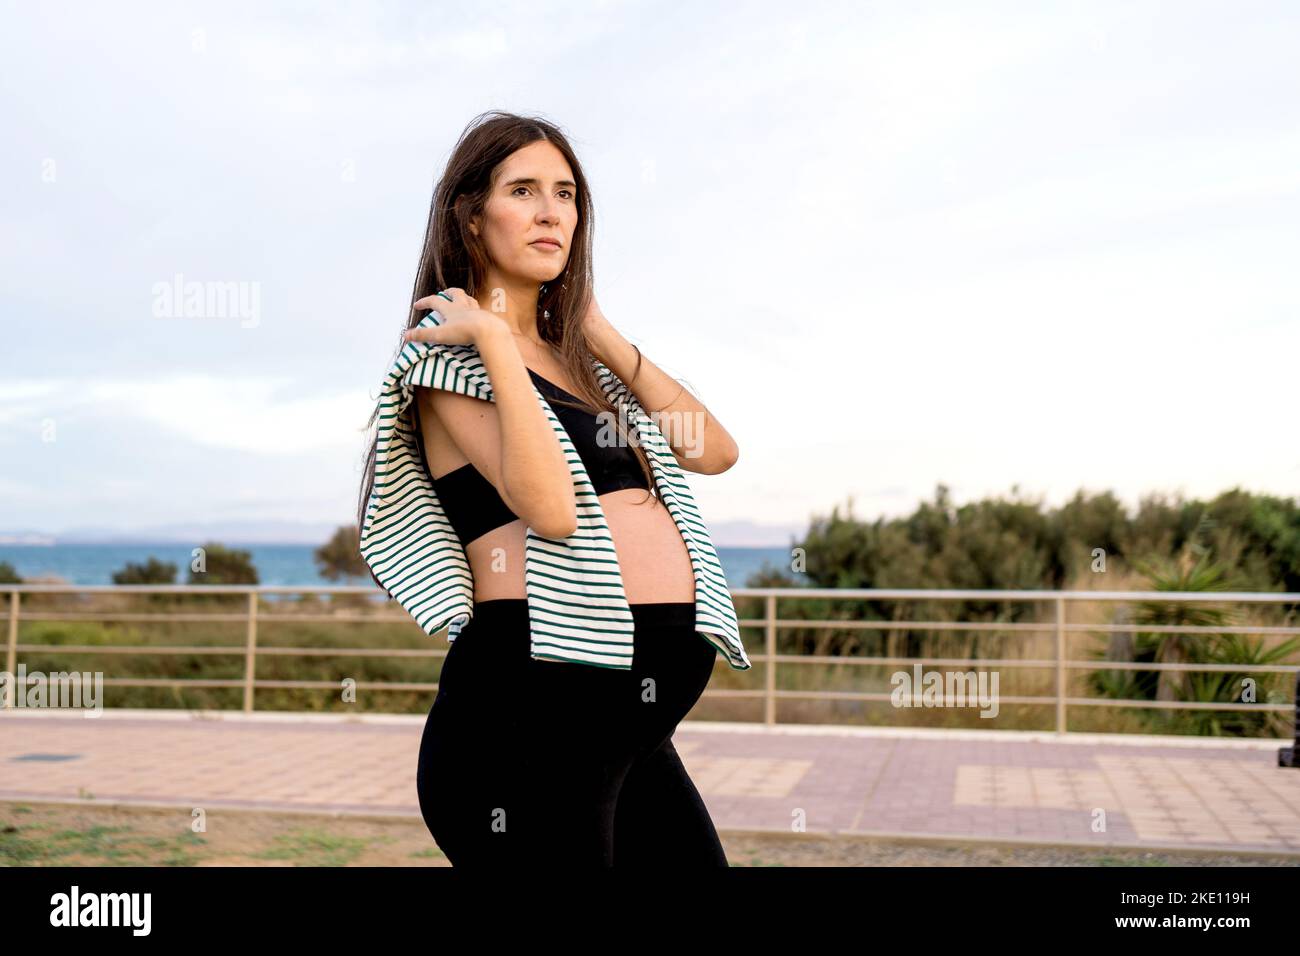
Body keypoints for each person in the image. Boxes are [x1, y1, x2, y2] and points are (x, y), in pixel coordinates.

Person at [356, 111, 745, 867]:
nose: (549, 212)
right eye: (524, 190)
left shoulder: (589, 368)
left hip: (623, 728)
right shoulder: (449, 365)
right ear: (472, 218)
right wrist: (499, 340)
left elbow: (714, 452)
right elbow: (552, 507)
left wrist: (597, 333)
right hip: (524, 719)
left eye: (565, 194)